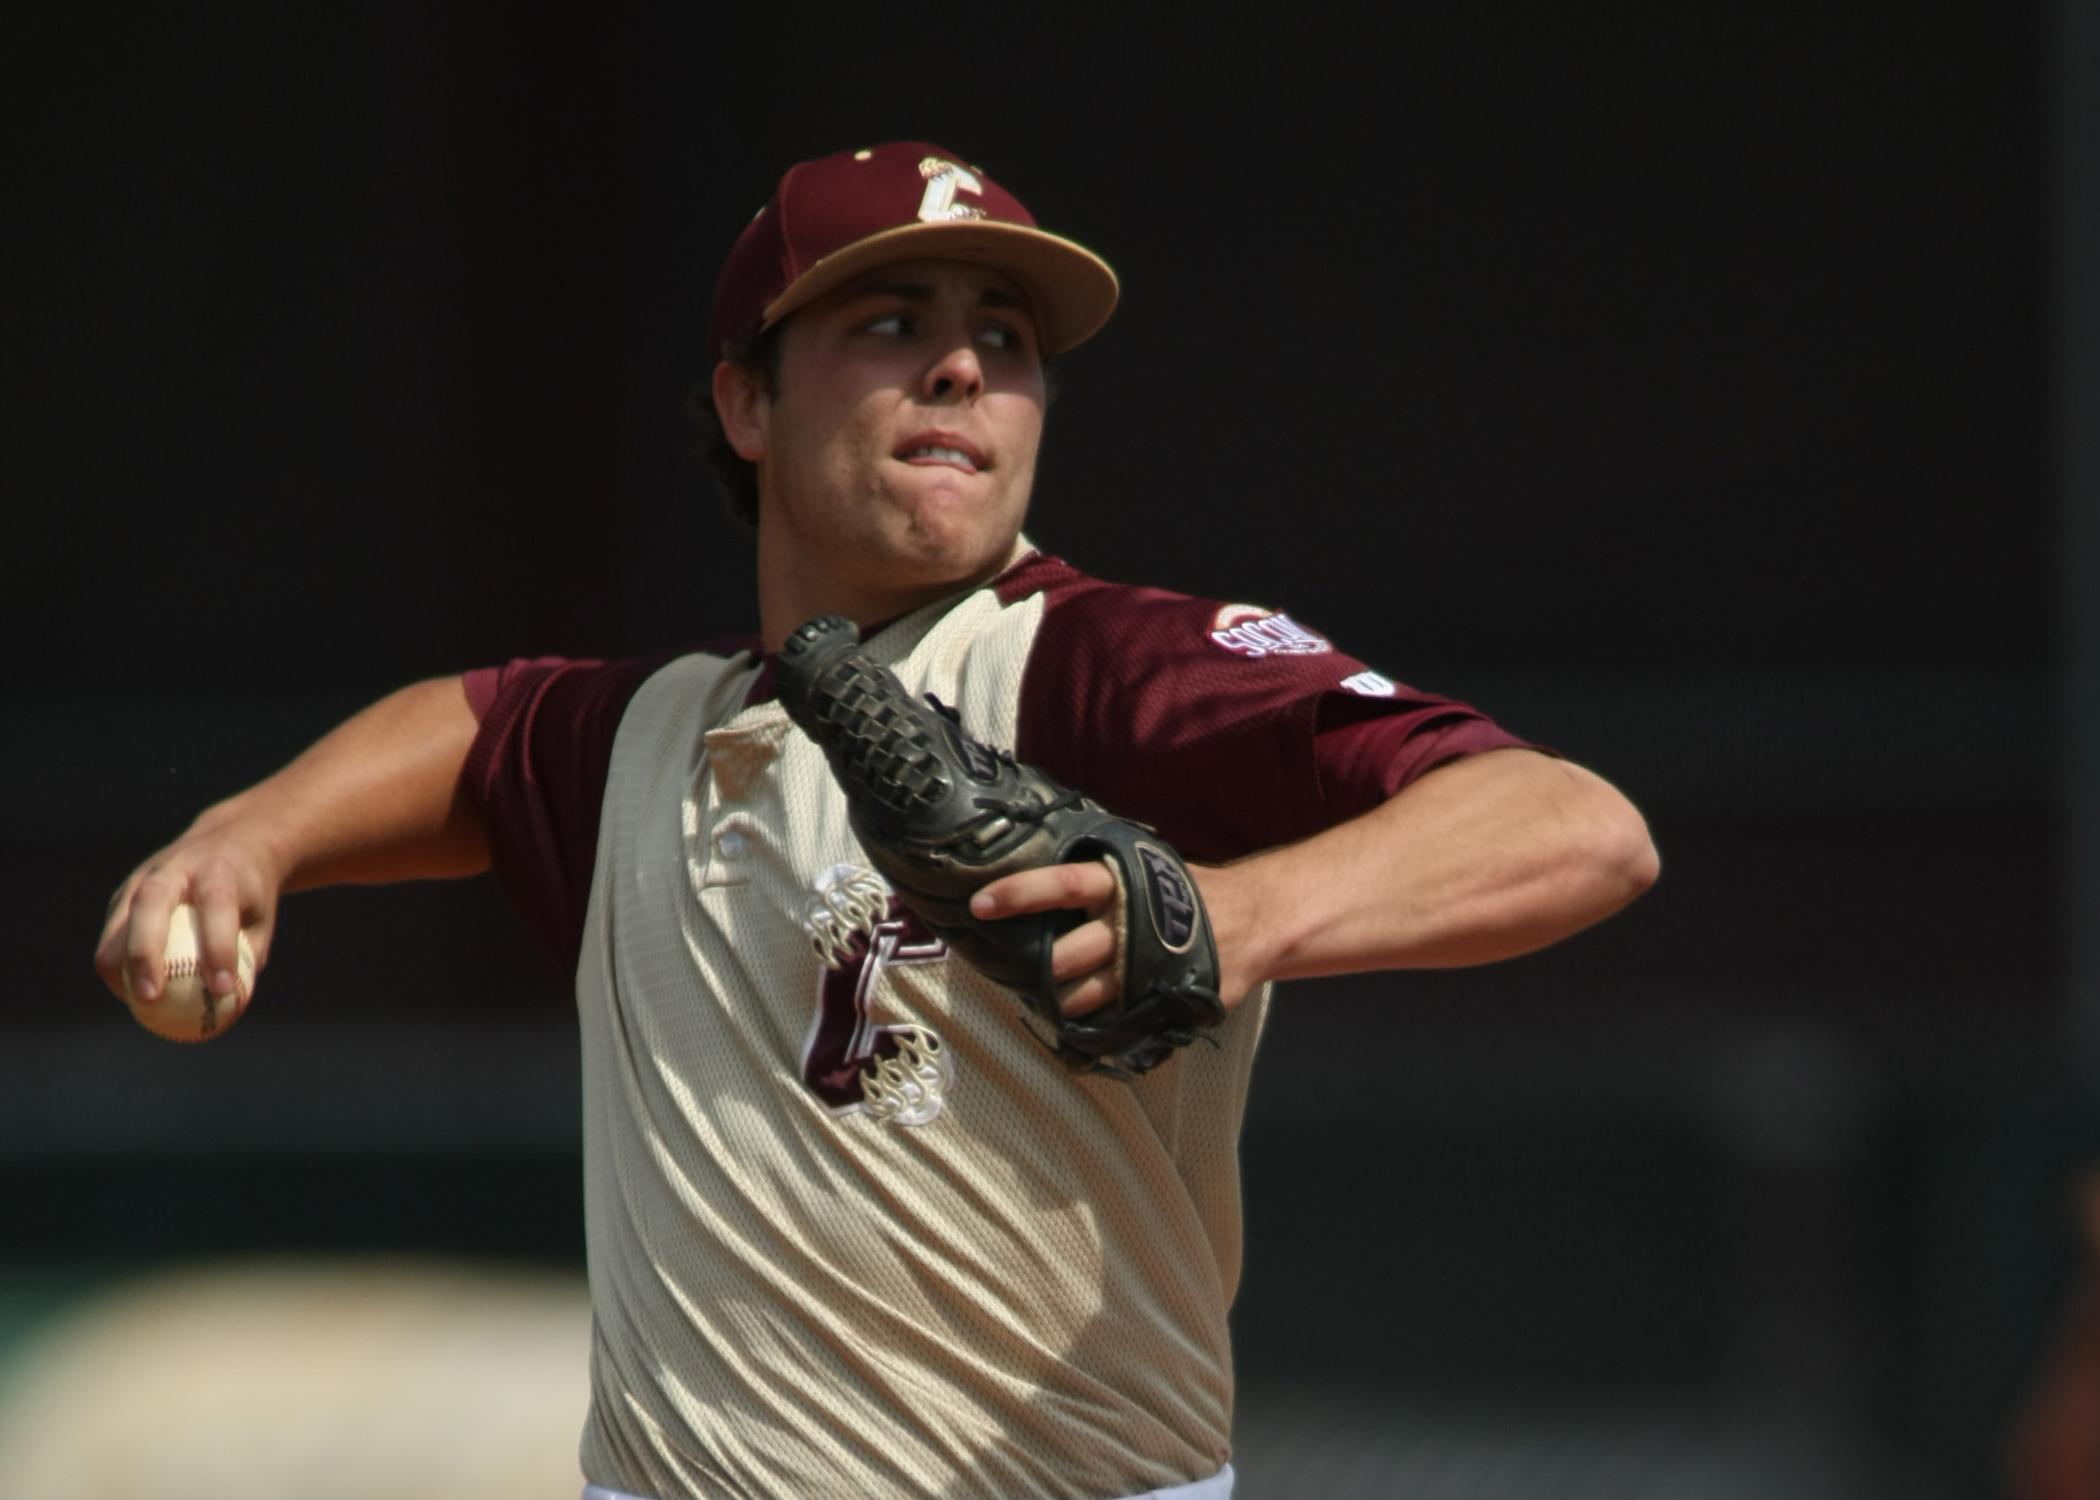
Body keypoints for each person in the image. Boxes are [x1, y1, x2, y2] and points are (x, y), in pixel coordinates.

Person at [95, 141, 1659, 1500]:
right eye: (892, 322)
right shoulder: (646, 742)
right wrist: (251, 833)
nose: (967, 367)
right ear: (745, 403)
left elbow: (1575, 826)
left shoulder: (1095, 668)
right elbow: (471, 725)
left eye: (1007, 336)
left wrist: (1246, 917)